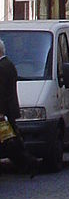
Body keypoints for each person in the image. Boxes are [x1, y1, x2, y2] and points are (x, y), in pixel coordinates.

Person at [0, 38, 28, 173]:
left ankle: (28, 163)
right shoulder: (8, 64)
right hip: (8, 110)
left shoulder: (2, 67)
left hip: (4, 112)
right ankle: (27, 162)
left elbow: (2, 92)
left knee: (10, 141)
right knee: (11, 140)